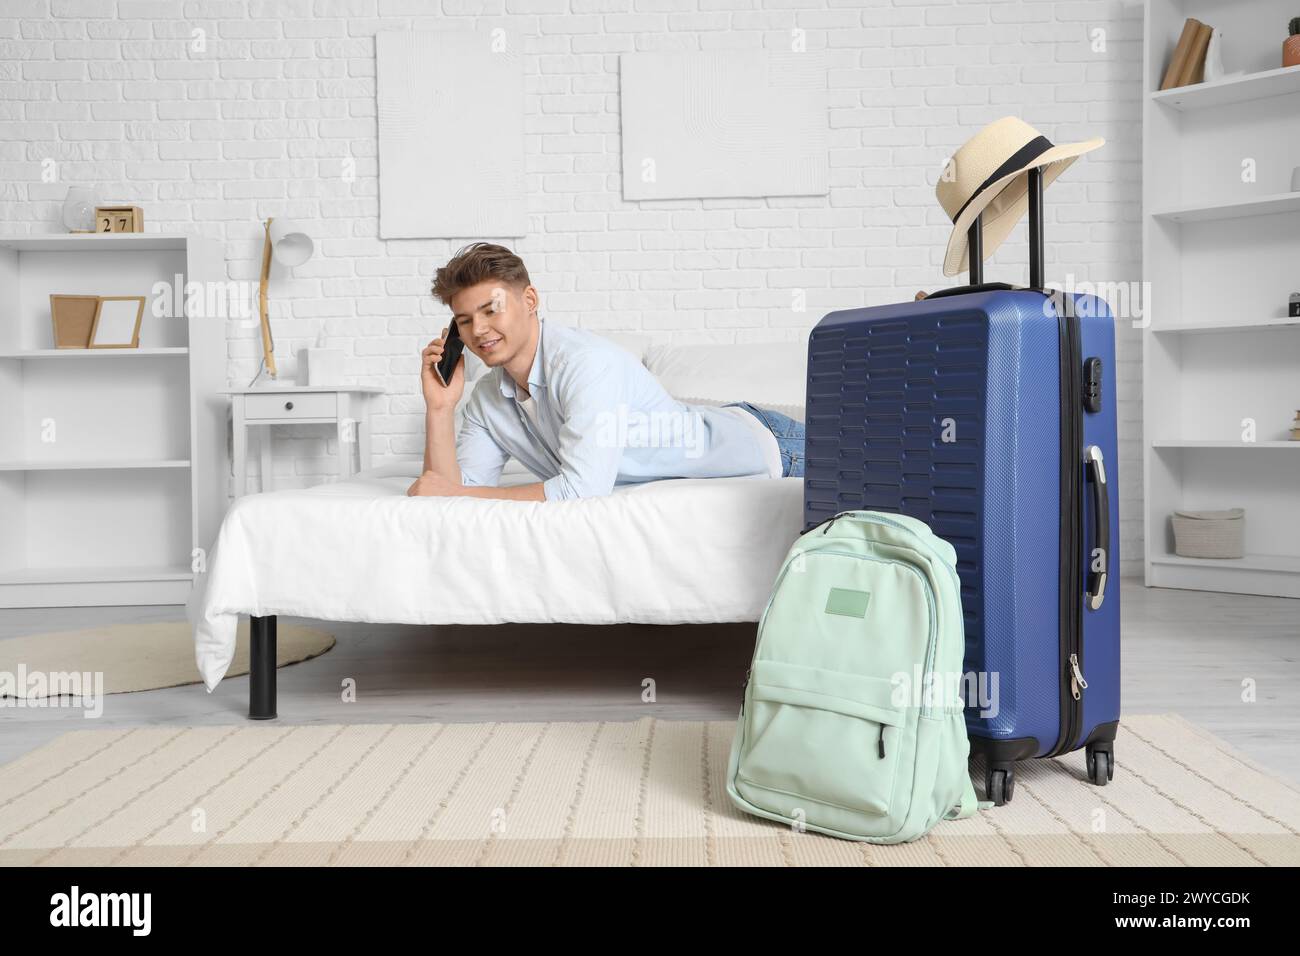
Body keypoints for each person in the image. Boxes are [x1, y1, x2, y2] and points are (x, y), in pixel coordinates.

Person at [407, 242, 804, 500]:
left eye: (491, 310)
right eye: (463, 321)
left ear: (529, 300)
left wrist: (455, 494)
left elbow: (580, 490)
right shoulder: (487, 399)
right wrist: (440, 408)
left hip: (769, 444)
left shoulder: (584, 363)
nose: (478, 330)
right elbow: (451, 496)